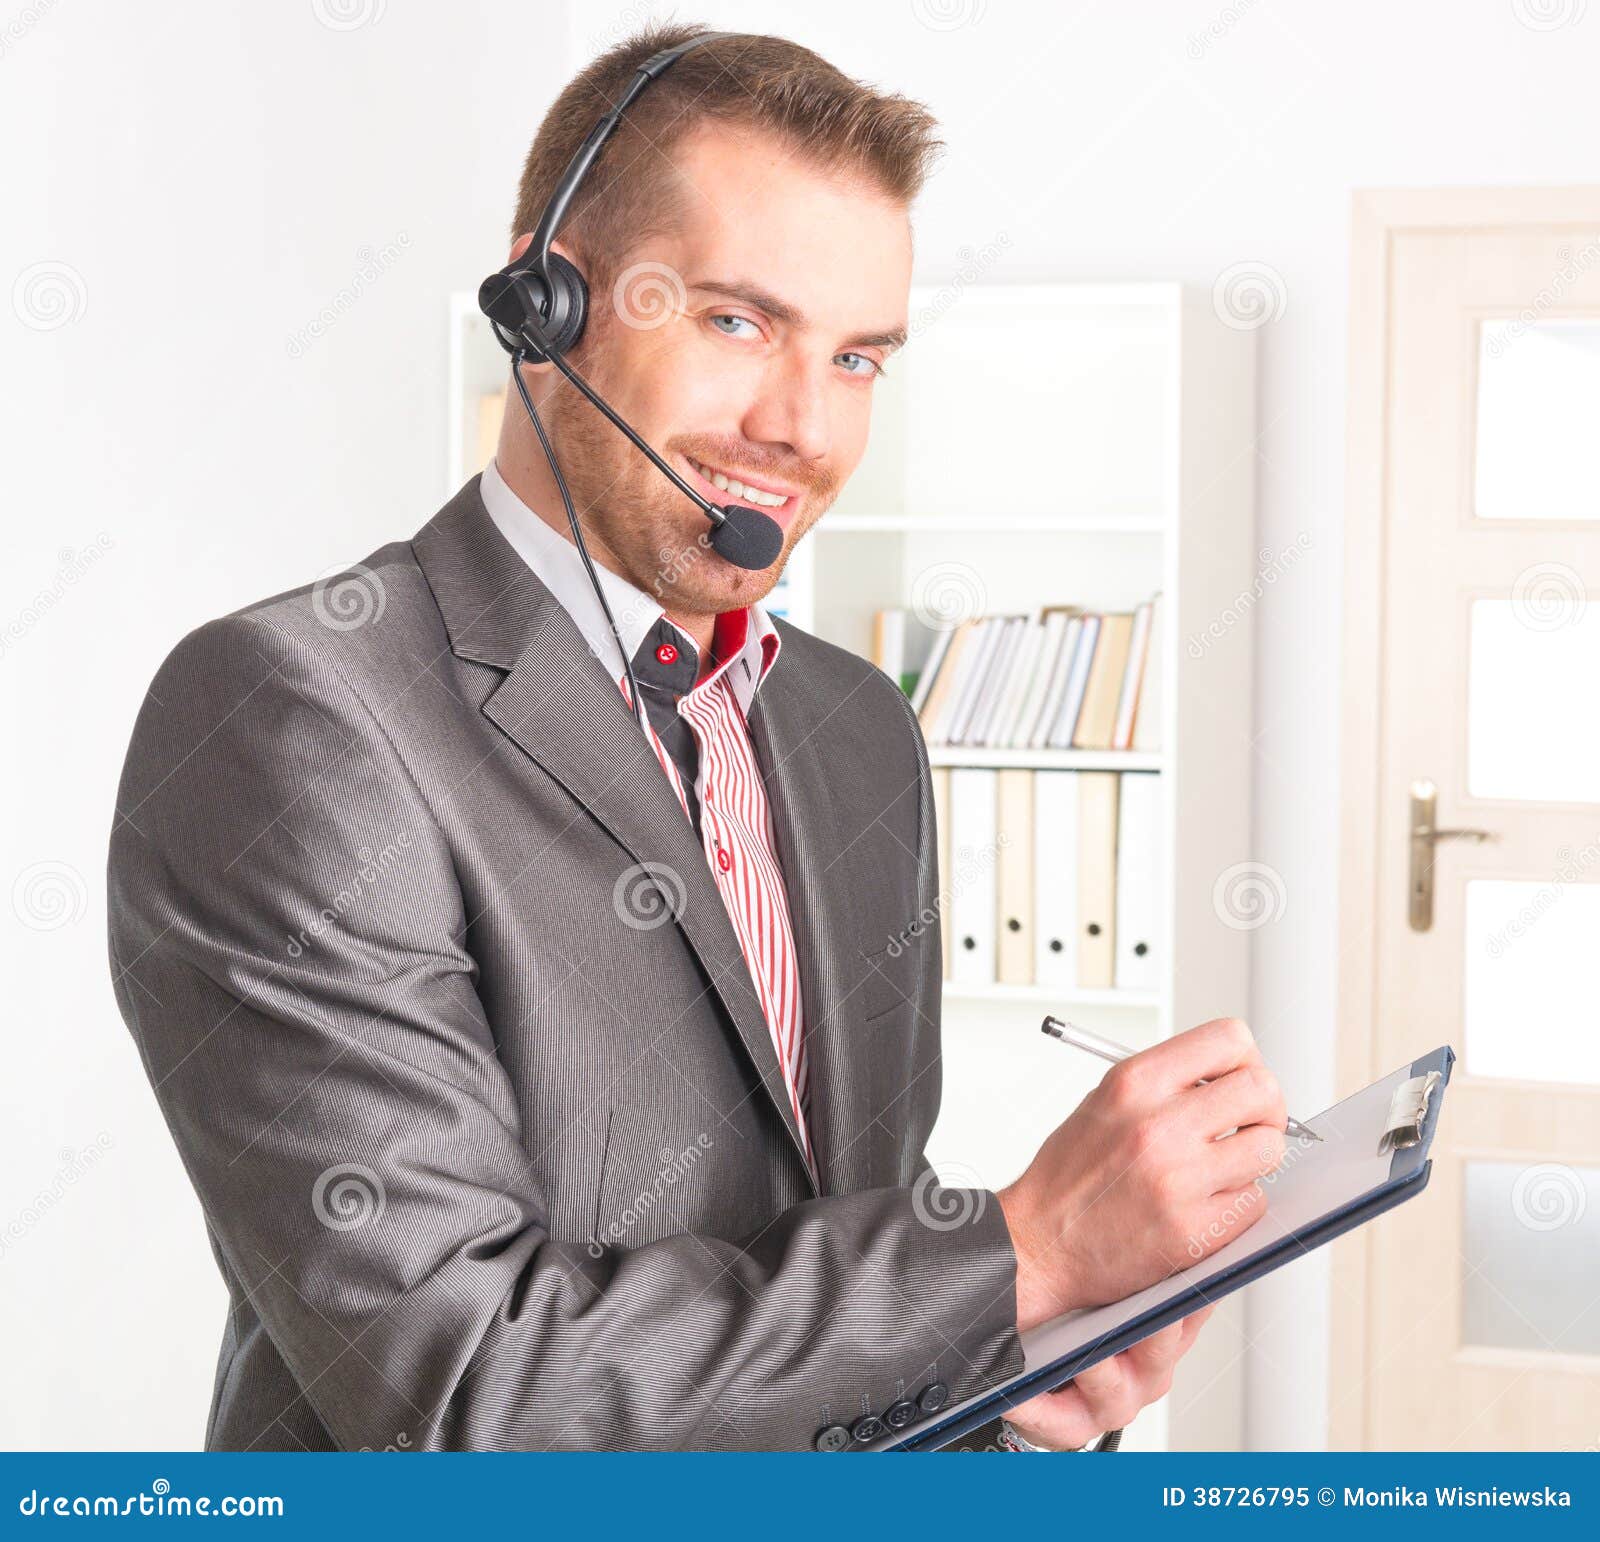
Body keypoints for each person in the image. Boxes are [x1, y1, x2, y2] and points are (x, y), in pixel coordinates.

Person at [107, 22, 1285, 1452]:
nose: (803, 427)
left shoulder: (855, 732)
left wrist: (1010, 1380)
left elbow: (843, 1274)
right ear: (547, 299)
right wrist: (1020, 1252)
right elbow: (473, 1390)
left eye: (858, 357)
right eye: (739, 321)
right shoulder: (294, 714)